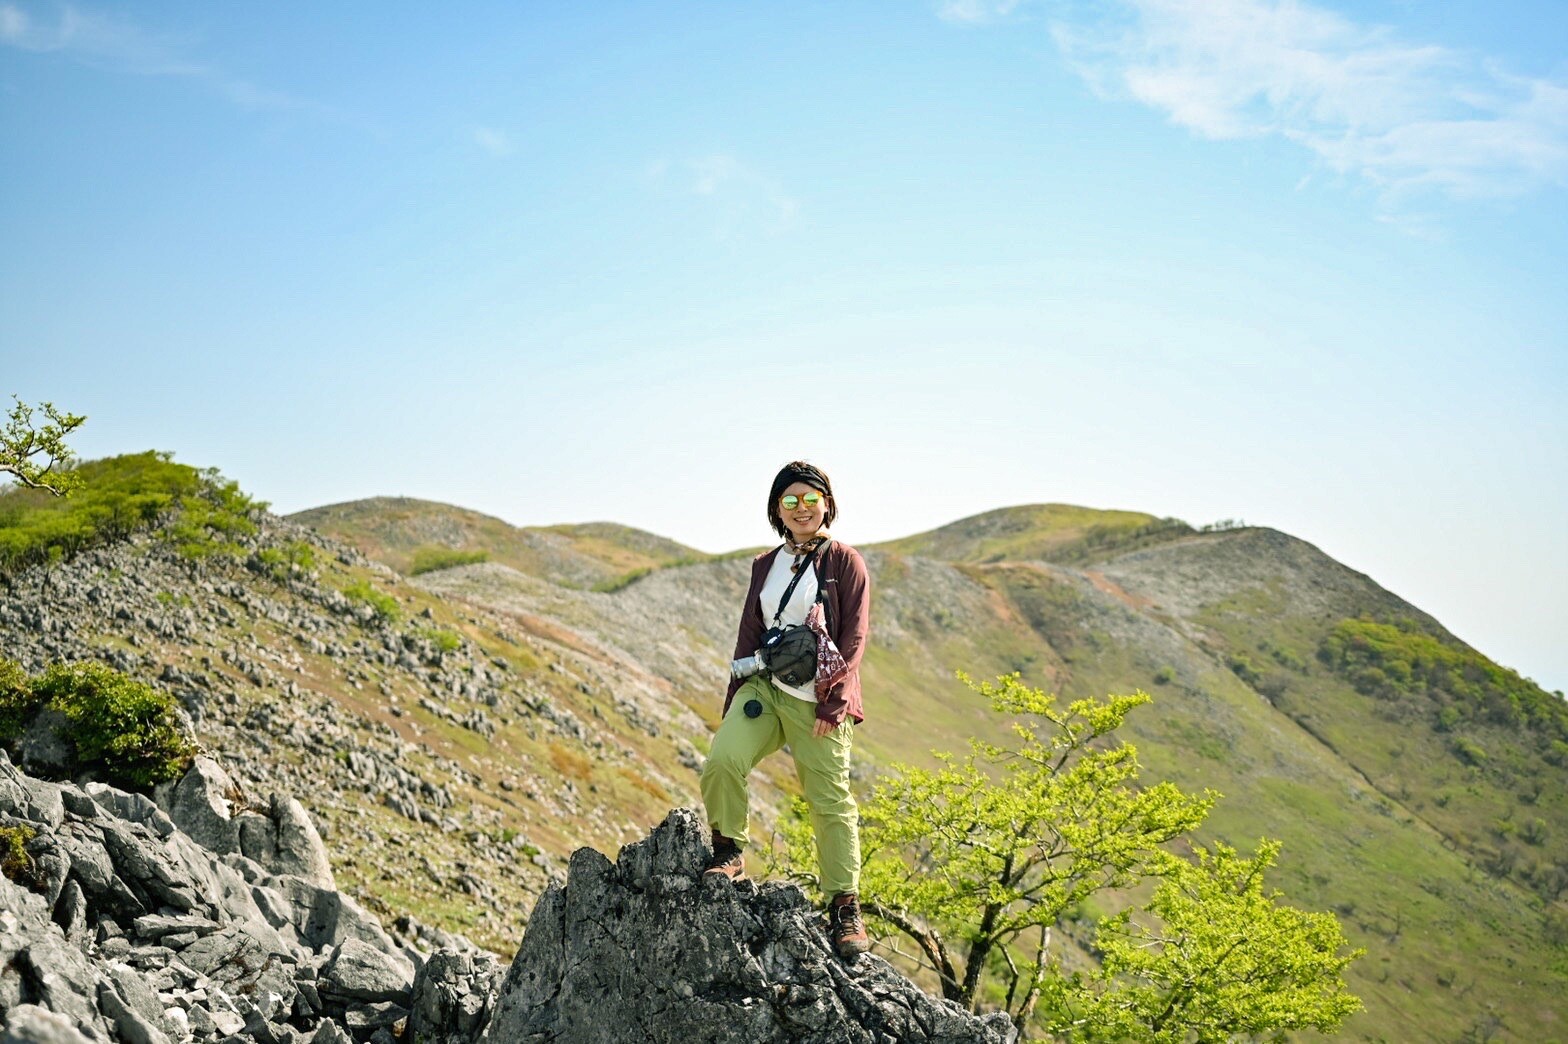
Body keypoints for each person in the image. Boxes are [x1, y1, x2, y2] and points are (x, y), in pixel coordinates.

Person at [699, 460, 872, 960]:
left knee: (829, 802)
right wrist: (735, 694)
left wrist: (834, 699)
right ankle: (729, 850)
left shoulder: (845, 562)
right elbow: (749, 632)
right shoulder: (764, 565)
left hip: (818, 701)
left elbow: (853, 638)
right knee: (722, 761)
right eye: (790, 500)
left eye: (810, 498)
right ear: (777, 508)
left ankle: (844, 906)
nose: (801, 508)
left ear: (827, 504)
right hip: (766, 690)